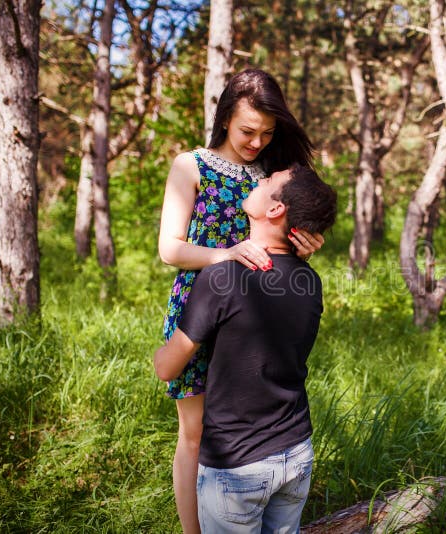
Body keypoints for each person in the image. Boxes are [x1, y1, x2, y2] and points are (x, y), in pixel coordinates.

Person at [157, 68, 324, 534]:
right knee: (195, 433)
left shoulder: (271, 174)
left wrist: (308, 243)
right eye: (248, 130)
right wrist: (224, 254)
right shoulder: (191, 165)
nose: (256, 142)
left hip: (257, 316)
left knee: (246, 422)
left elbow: (292, 222)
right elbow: (170, 249)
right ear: (227, 116)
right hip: (199, 304)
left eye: (267, 133)